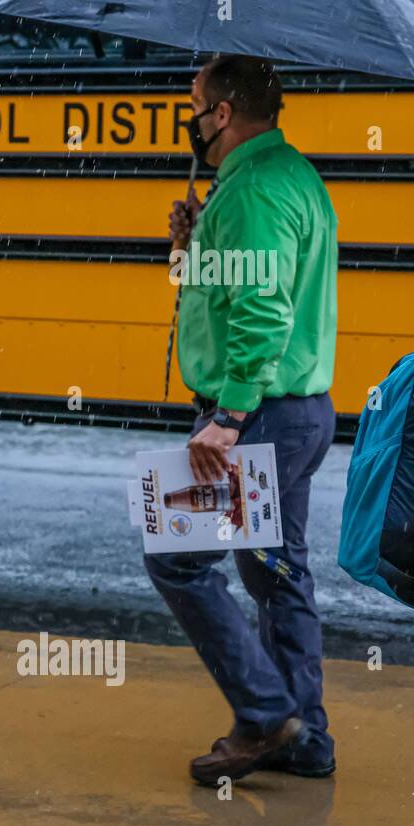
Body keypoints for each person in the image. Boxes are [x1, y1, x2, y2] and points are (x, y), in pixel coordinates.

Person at [149, 56, 339, 786]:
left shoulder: (255, 191)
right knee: (277, 575)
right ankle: (306, 738)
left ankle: (265, 715)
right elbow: (226, 296)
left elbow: (263, 314)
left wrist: (227, 417)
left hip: (257, 414)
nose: (190, 116)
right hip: (299, 412)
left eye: (195, 103)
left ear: (222, 114)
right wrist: (189, 245)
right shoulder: (289, 175)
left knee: (176, 559)